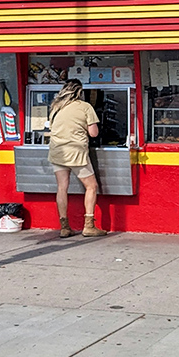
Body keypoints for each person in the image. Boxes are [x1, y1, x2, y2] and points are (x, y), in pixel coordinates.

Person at [48, 79, 107, 238]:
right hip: (76, 152)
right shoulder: (85, 107)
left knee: (62, 187)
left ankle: (64, 227)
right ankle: (89, 225)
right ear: (80, 92)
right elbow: (94, 133)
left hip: (57, 151)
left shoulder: (56, 107)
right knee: (91, 186)